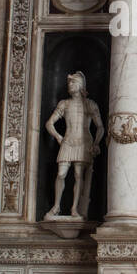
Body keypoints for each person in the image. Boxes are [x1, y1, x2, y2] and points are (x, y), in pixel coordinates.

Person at [44, 71, 104, 220]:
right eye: (69, 83)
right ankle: (56, 206)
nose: (70, 85)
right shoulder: (64, 104)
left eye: (73, 82)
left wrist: (96, 143)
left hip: (84, 143)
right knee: (61, 174)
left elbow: (100, 127)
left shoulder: (90, 104)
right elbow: (49, 123)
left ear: (81, 85)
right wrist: (58, 136)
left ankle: (74, 208)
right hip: (68, 141)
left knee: (79, 175)